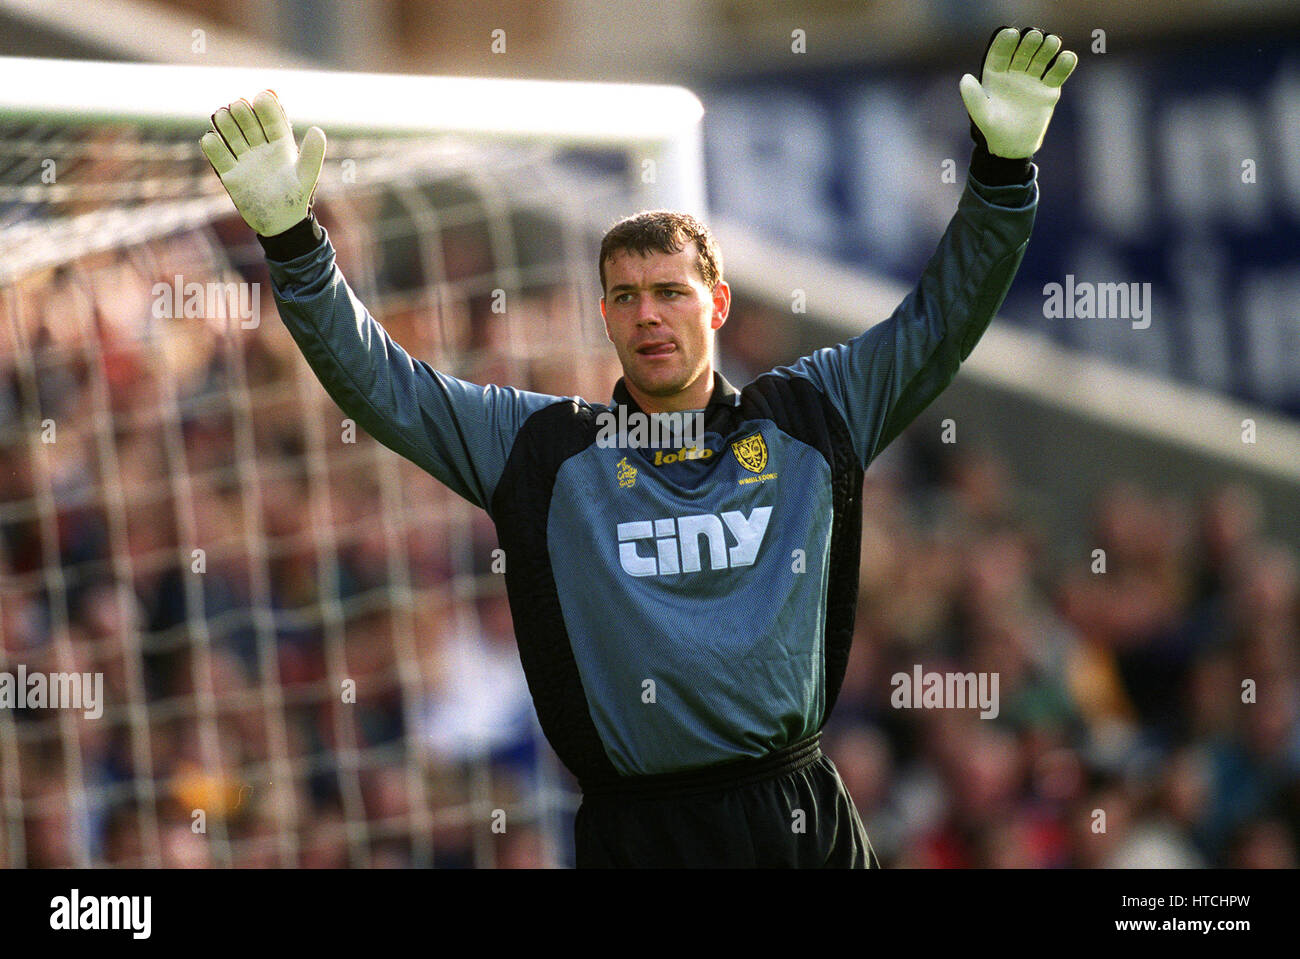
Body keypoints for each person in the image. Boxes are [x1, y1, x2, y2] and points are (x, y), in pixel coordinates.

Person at [200, 26, 1076, 867]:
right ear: (606, 317)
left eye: (669, 291)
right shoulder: (544, 452)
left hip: (795, 820)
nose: (648, 314)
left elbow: (941, 321)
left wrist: (1002, 175)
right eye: (624, 297)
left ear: (717, 304)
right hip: (638, 833)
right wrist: (295, 246)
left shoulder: (811, 417)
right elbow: (385, 385)